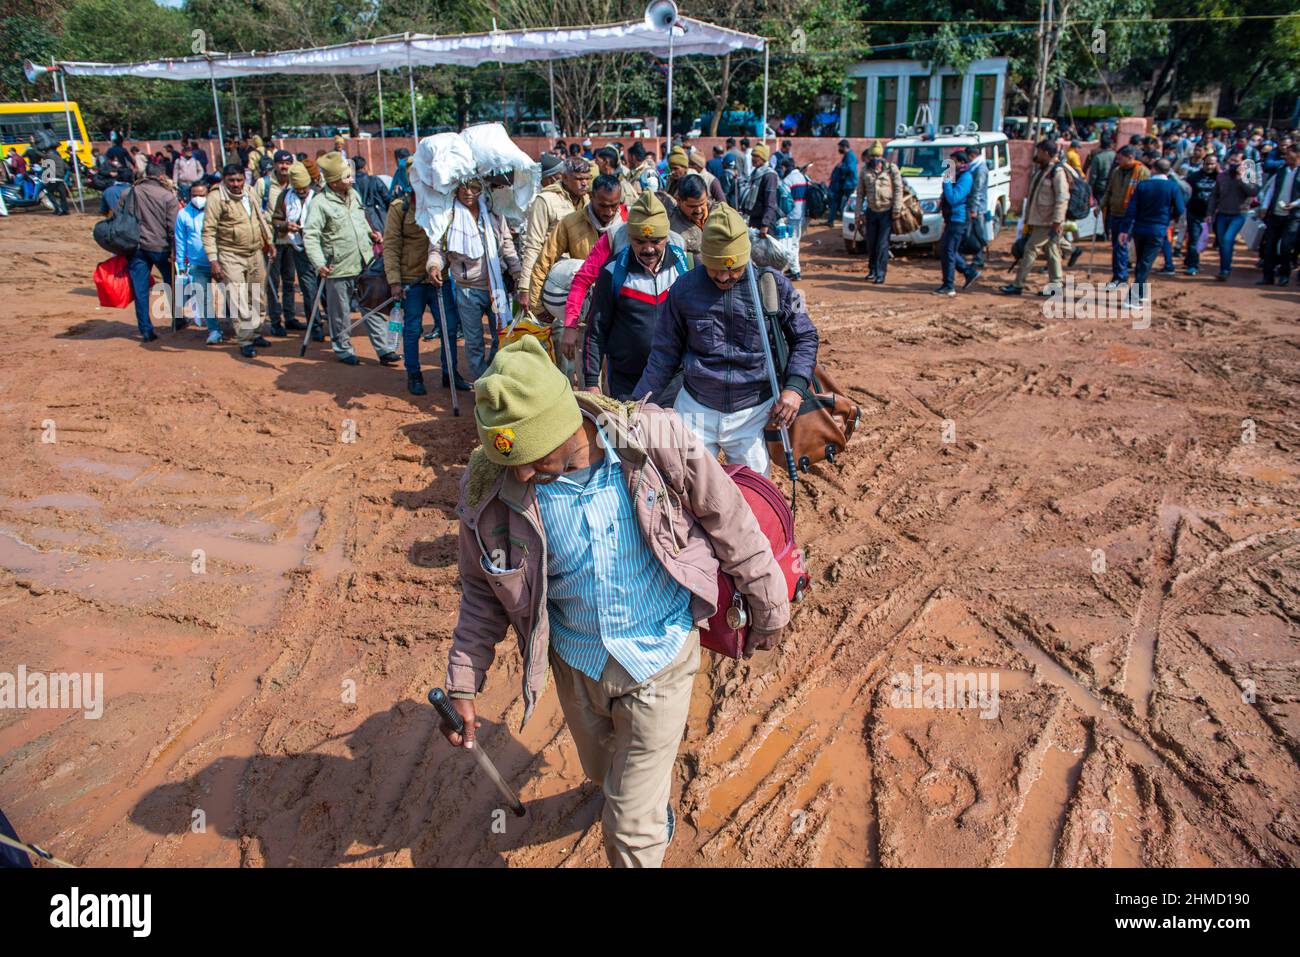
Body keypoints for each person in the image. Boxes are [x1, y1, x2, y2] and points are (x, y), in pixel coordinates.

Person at [441, 335, 792, 868]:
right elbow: (481, 594)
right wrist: (463, 682)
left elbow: (731, 519)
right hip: (577, 665)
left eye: (533, 459)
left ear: (565, 427)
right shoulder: (489, 491)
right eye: (510, 463)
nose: (522, 475)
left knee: (628, 826)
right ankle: (642, 802)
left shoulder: (653, 440)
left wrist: (768, 602)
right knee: (603, 773)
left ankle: (643, 822)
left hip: (660, 654)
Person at [635, 205, 818, 474]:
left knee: (753, 490)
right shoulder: (683, 289)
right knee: (689, 486)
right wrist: (638, 402)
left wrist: (794, 389)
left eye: (732, 268)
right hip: (696, 410)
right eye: (714, 267)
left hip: (754, 413)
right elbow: (664, 353)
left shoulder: (777, 285)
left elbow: (806, 336)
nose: (722, 276)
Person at [582, 191, 690, 403]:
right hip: (627, 383)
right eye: (640, 241)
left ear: (667, 237)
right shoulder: (612, 272)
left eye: (656, 241)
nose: (648, 249)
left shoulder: (684, 267)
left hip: (675, 382)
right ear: (629, 237)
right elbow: (596, 330)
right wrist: (592, 382)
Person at [303, 151, 394, 366]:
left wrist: (371, 234)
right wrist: (319, 264)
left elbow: (361, 220)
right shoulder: (319, 203)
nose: (351, 179)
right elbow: (310, 235)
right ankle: (343, 348)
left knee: (372, 306)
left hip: (365, 262)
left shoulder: (354, 194)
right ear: (334, 182)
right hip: (338, 266)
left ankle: (384, 349)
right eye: (346, 176)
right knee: (340, 312)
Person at [426, 176, 522, 378]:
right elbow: (437, 249)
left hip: (497, 285)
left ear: (482, 189)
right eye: (464, 187)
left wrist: (517, 273)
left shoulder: (494, 212)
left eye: (474, 187)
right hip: (468, 289)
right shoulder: (447, 215)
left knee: (502, 336)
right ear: (456, 189)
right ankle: (481, 381)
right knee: (474, 340)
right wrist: (434, 266)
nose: (468, 192)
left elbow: (507, 245)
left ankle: (496, 377)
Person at [384, 185, 469, 396]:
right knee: (413, 329)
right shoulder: (400, 208)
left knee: (449, 328)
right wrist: (394, 281)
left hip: (440, 279)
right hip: (411, 281)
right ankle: (414, 375)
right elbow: (391, 246)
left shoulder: (444, 203)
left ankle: (450, 374)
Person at [203, 162, 275, 358]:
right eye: (231, 180)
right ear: (224, 180)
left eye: (239, 180)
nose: (236, 184)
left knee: (258, 296)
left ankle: (256, 333)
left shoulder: (250, 192)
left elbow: (260, 218)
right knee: (239, 299)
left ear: (244, 179)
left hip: (255, 252)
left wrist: (269, 241)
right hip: (230, 255)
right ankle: (245, 340)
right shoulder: (215, 199)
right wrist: (213, 260)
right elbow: (208, 232)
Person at [529, 173, 626, 311]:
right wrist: (537, 306)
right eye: (603, 206)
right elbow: (544, 262)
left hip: (621, 306)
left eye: (614, 206)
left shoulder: (628, 224)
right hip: (583, 306)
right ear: (591, 197)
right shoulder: (570, 223)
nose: (609, 212)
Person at [518, 155, 589, 314]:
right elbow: (533, 245)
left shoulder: (588, 201)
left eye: (587, 178)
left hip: (581, 276)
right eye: (579, 179)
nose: (584, 183)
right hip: (552, 276)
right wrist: (525, 287)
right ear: (565, 178)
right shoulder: (545, 200)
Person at [1001, 140, 1069, 296]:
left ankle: (1018, 284)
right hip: (1040, 219)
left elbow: (1062, 198)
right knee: (1052, 251)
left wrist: (1057, 221)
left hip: (1047, 221)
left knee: (1030, 250)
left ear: (1046, 153)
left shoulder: (1057, 172)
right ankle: (1056, 284)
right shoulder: (1042, 171)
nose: (1037, 155)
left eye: (1039, 152)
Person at [1117, 158, 1186, 309]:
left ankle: (1140, 293)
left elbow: (1131, 209)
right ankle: (1133, 298)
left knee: (1142, 261)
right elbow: (1180, 209)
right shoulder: (1172, 187)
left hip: (1140, 228)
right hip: (1158, 229)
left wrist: (1124, 229)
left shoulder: (1143, 185)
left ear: (1153, 169)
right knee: (1145, 263)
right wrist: (1170, 219)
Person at [126, 162, 180, 342]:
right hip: (161, 247)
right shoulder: (167, 196)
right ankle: (178, 319)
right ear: (162, 176)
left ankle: (145, 329)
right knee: (171, 284)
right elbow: (173, 228)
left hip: (135, 247)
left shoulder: (129, 192)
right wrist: (175, 250)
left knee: (140, 290)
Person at [271, 162, 322, 341]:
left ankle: (333, 324)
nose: (301, 191)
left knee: (326, 291)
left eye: (304, 188)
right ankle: (315, 326)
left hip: (322, 250)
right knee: (309, 290)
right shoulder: (285, 197)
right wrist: (286, 226)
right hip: (299, 250)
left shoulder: (319, 196)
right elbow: (276, 220)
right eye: (297, 188)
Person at [255, 150, 301, 335]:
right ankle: (275, 321)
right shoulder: (263, 184)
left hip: (291, 240)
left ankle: (290, 317)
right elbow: (256, 212)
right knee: (273, 283)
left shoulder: (294, 182)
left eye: (288, 163)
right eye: (281, 163)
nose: (284, 166)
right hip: (271, 241)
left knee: (289, 281)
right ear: (274, 164)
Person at [175, 182, 220, 344]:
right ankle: (214, 330)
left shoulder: (216, 211)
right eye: (194, 195)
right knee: (204, 298)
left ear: (208, 195)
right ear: (189, 196)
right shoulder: (183, 214)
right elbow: (180, 241)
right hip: (197, 264)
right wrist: (181, 265)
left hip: (219, 261)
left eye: (202, 195)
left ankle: (235, 324)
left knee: (231, 294)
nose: (198, 198)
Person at [1101, 146, 1150, 289]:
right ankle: (1118, 275)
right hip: (1115, 213)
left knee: (1121, 246)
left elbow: (1143, 195)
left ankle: (1121, 276)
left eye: (1120, 158)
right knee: (1117, 247)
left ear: (1130, 157)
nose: (1118, 161)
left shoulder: (1142, 172)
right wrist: (1102, 204)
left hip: (1130, 216)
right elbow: (1109, 190)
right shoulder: (1117, 171)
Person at [1207, 149, 1261, 280]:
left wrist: (1241, 178)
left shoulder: (1249, 175)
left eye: (1236, 161)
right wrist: (1210, 212)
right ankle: (1224, 268)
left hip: (1239, 214)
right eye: (1231, 160)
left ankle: (1225, 270)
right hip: (1222, 213)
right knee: (1222, 242)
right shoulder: (1222, 176)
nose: (1233, 163)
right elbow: (1214, 196)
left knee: (1228, 239)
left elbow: (1253, 192)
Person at [855, 142, 902, 284]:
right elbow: (860, 194)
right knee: (871, 243)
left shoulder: (891, 169)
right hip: (871, 211)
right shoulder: (864, 171)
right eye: (873, 156)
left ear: (882, 156)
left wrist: (896, 209)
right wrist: (858, 214)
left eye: (878, 156)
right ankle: (872, 270)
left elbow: (898, 189)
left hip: (886, 212)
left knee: (882, 244)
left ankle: (881, 273)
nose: (875, 159)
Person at [1255, 143, 1300, 286]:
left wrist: (1294, 204)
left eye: (1289, 153)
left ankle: (1284, 274)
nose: (1285, 156)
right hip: (1275, 214)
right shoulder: (1281, 171)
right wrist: (1264, 206)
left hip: (1293, 216)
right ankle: (1267, 276)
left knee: (1286, 246)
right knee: (1270, 246)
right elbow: (1271, 190)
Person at [935, 149, 973, 297]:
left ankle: (949, 285)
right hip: (951, 219)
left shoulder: (966, 177)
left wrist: (947, 181)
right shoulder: (956, 175)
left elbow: (953, 198)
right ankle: (968, 272)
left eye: (953, 162)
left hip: (959, 219)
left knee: (948, 251)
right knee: (946, 249)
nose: (950, 165)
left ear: (962, 163)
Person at [959, 144, 990, 285]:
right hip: (974, 206)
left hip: (978, 207)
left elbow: (977, 190)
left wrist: (974, 209)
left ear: (972, 156)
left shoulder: (980, 169)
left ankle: (979, 258)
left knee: (977, 234)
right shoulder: (974, 167)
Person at [1183, 151, 1219, 276]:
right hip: (1194, 212)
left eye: (1212, 164)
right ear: (1203, 164)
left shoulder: (1220, 178)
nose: (1209, 166)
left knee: (1206, 240)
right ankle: (1192, 265)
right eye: (1207, 164)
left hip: (1212, 215)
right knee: (1194, 239)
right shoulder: (1194, 177)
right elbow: (1185, 191)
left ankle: (1189, 259)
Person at [780, 157, 808, 280]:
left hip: (792, 215)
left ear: (784, 167)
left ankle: (795, 271)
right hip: (802, 214)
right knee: (795, 243)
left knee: (791, 243)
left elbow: (784, 200)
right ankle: (793, 268)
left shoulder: (787, 180)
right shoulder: (802, 177)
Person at [745, 142, 781, 239]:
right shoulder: (755, 174)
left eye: (756, 156)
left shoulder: (769, 175)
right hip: (754, 220)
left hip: (765, 223)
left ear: (763, 158)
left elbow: (770, 203)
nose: (753, 158)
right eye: (753, 156)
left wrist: (765, 225)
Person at [352, 156, 392, 232]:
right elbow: (388, 199)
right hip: (380, 220)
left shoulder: (350, 185)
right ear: (365, 167)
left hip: (360, 223)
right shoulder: (375, 180)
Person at [826, 138, 858, 227]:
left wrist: (841, 167)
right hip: (845, 184)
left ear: (845, 147)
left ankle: (850, 222)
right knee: (836, 201)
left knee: (849, 204)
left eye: (840, 147)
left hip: (849, 184)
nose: (839, 149)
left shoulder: (850, 156)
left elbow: (851, 169)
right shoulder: (847, 156)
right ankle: (831, 221)